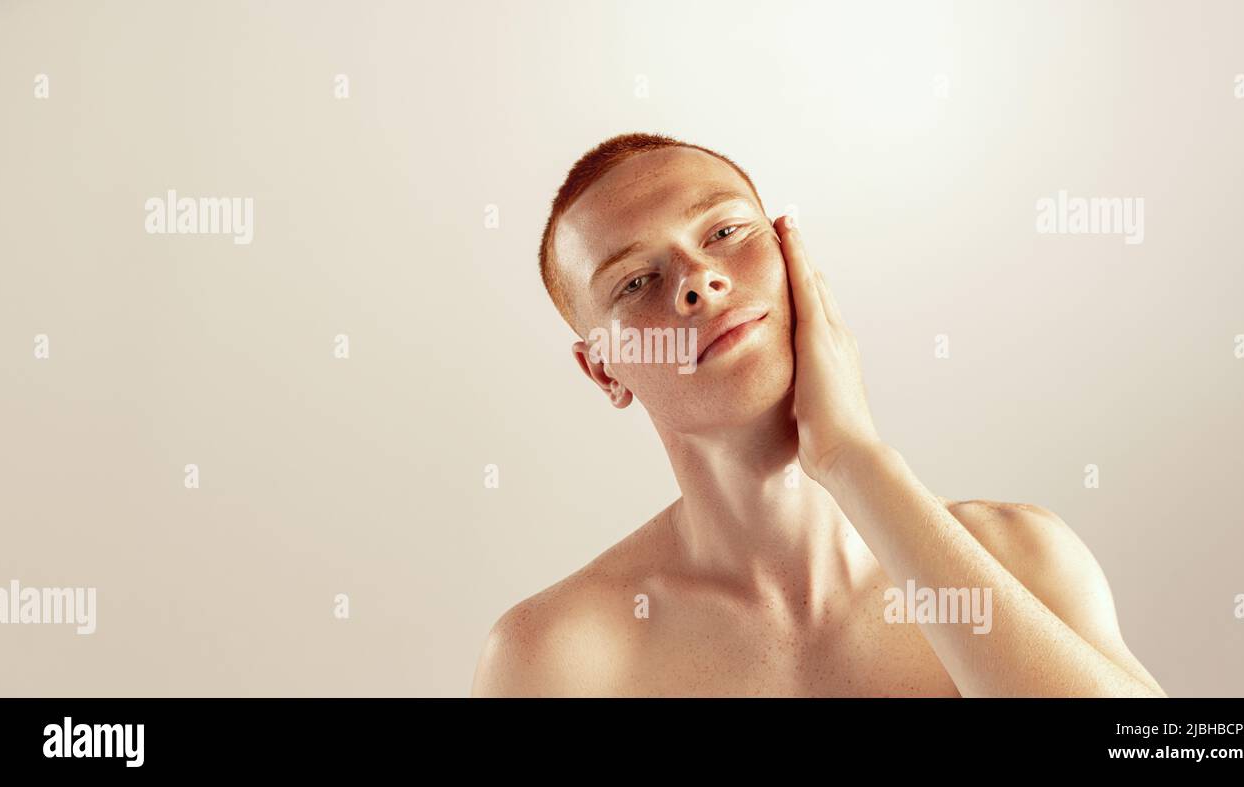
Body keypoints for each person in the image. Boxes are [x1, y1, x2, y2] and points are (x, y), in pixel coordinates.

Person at [471, 133, 1167, 697]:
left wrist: (854, 460)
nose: (699, 281)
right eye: (636, 281)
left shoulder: (1022, 558)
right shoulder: (556, 659)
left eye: (724, 232)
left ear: (790, 253)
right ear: (603, 368)